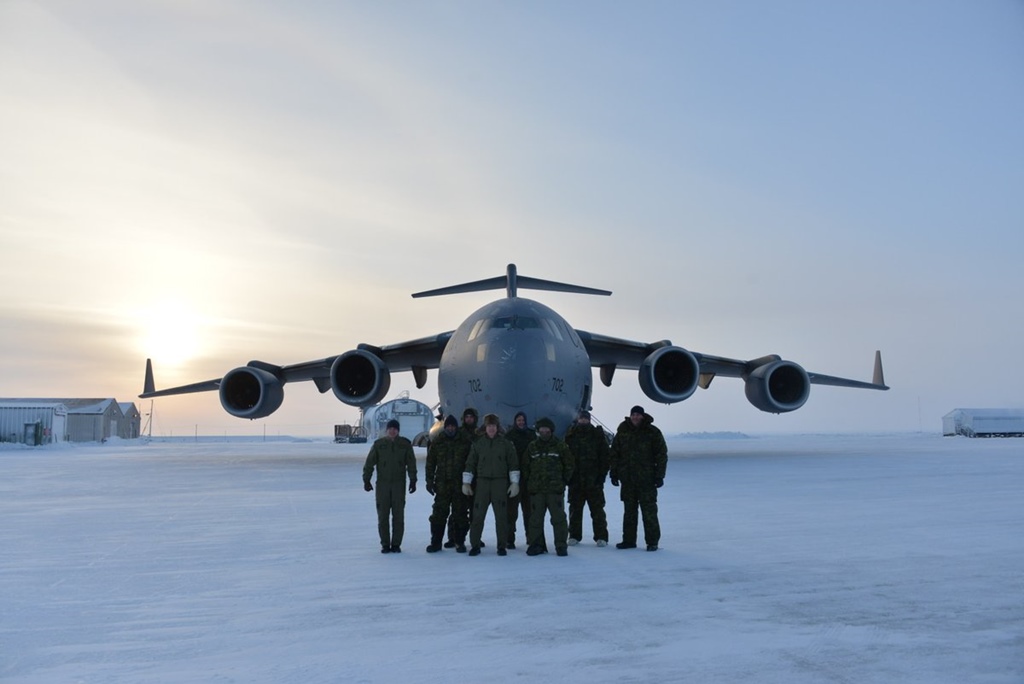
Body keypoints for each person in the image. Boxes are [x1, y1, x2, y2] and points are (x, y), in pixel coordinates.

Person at [609, 405, 667, 552]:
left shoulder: (653, 432)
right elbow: (614, 454)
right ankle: (629, 540)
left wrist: (659, 476)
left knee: (649, 512)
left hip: (646, 480)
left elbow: (661, 455)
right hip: (627, 480)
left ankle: (652, 542)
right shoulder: (622, 432)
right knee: (629, 512)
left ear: (643, 416)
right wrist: (614, 473)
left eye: (638, 415)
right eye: (633, 414)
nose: (635, 417)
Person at [462, 414, 519, 556]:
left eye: (493, 426)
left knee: (501, 517)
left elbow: (513, 463)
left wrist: (514, 483)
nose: (491, 429)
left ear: (497, 428)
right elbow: (470, 463)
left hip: (500, 483)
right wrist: (466, 482)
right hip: (482, 483)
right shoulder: (478, 444)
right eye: (489, 426)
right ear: (485, 428)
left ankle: (502, 546)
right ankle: (475, 545)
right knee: (478, 516)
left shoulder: (506, 444)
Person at [363, 418, 417, 554]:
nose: (392, 431)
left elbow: (411, 463)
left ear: (398, 431)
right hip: (383, 485)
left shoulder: (405, 445)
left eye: (395, 429)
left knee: (398, 516)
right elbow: (369, 463)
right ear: (387, 430)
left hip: (399, 485)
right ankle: (385, 544)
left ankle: (396, 544)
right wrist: (366, 480)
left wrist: (413, 480)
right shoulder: (379, 445)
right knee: (383, 516)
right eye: (390, 429)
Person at [524, 417, 574, 557]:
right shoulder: (532, 447)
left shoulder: (560, 446)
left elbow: (569, 465)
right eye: (542, 429)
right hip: (537, 490)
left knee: (558, 519)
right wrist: (530, 482)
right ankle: (537, 545)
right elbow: (525, 466)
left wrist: (562, 481)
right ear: (538, 431)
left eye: (547, 429)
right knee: (535, 519)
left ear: (551, 430)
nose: (544, 431)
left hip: (554, 490)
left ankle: (561, 545)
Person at [425, 415, 471, 553]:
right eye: (448, 426)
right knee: (439, 514)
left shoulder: (464, 442)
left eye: (453, 426)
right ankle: (436, 542)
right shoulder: (438, 442)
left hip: (459, 485)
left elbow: (470, 462)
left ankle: (459, 542)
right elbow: (430, 463)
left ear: (456, 427)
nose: (451, 428)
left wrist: (469, 481)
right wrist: (429, 481)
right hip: (442, 485)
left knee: (460, 515)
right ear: (445, 427)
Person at [564, 410, 610, 547]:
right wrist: (568, 476)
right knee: (575, 511)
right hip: (576, 480)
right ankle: (574, 535)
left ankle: (601, 537)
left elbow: (605, 456)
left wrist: (602, 475)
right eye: (581, 418)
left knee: (597, 511)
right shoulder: (570, 435)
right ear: (578, 419)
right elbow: (565, 457)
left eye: (585, 418)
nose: (583, 421)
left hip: (593, 480)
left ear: (589, 420)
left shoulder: (597, 435)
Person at [444, 407, 481, 548]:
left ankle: (475, 537)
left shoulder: (479, 434)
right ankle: (453, 537)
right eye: (467, 417)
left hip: (476, 477)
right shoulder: (458, 433)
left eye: (471, 417)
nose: (469, 419)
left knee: (475, 510)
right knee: (458, 509)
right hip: (459, 477)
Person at [504, 411, 534, 550]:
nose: (521, 422)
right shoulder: (509, 436)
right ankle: (509, 539)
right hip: (513, 480)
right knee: (511, 512)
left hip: (528, 479)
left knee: (529, 511)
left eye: (523, 420)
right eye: (518, 420)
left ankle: (531, 536)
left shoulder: (532, 435)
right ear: (515, 422)